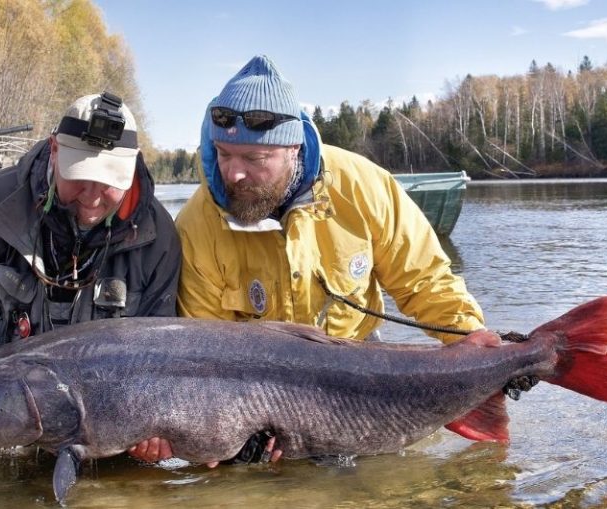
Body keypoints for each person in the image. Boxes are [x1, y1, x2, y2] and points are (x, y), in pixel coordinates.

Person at [129, 55, 485, 464]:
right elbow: (203, 357)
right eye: (224, 154)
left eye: (254, 159)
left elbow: (424, 280)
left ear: (293, 148)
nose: (234, 174)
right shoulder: (197, 224)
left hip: (358, 370)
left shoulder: (364, 185)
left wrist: (473, 343)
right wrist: (217, 438)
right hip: (253, 388)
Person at [0, 92, 181, 361]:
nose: (92, 198)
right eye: (79, 178)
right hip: (9, 389)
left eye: (109, 183)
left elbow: (156, 347)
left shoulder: (158, 235)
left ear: (133, 165)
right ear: (54, 150)